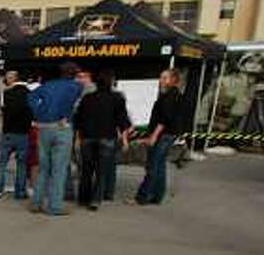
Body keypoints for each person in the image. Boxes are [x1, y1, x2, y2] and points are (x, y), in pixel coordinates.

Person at [27, 62, 86, 216]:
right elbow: (71, 102)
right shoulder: (76, 86)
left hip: (43, 127)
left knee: (43, 168)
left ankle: (36, 203)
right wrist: (64, 115)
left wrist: (38, 113)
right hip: (62, 127)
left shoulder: (48, 85)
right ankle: (54, 206)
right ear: (74, 74)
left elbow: (31, 97)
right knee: (59, 169)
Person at [72, 70, 130, 210]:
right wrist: (125, 140)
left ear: (96, 83)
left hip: (87, 137)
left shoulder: (87, 98)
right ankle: (95, 200)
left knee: (86, 170)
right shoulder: (117, 98)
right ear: (111, 82)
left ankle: (83, 198)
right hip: (107, 138)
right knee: (101, 171)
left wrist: (77, 138)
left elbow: (78, 119)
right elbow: (122, 120)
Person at [133, 70, 183, 205]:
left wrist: (154, 136)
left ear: (173, 80)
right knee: (159, 166)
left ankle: (143, 197)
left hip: (163, 135)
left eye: (165, 78)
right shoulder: (172, 95)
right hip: (167, 134)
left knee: (152, 166)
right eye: (161, 77)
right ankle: (157, 196)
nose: (161, 80)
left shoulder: (169, 96)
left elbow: (164, 119)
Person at [0, 73, 31, 199]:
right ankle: (20, 192)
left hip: (8, 132)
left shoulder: (6, 93)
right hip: (24, 133)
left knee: (2, 162)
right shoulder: (30, 94)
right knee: (22, 164)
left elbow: (2, 109)